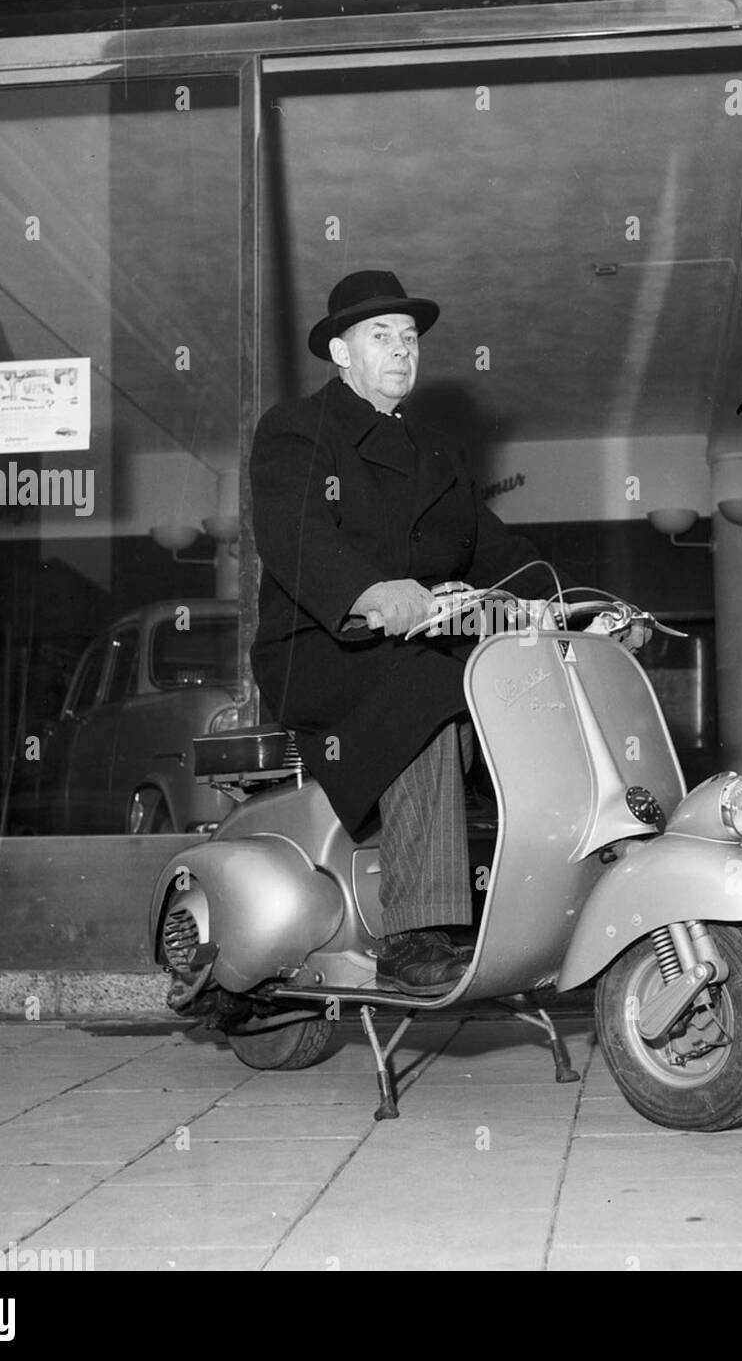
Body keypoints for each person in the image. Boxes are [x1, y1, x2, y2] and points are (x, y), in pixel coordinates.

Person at [249, 270, 553, 995]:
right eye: (379, 335)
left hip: (418, 647)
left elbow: (496, 552)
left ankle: (538, 909)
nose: (400, 348)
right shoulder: (298, 429)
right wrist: (369, 591)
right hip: (329, 647)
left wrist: (566, 600)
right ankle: (415, 935)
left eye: (409, 336)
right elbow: (295, 533)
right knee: (432, 688)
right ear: (342, 354)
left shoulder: (438, 451)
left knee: (525, 690)